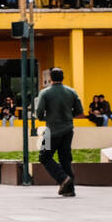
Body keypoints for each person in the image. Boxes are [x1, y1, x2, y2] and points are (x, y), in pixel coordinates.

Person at [35, 67, 83, 197]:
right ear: (63, 77)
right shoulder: (71, 92)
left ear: (50, 78)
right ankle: (70, 189)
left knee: (44, 156)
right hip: (68, 129)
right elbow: (79, 110)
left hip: (51, 131)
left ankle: (63, 179)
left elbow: (39, 113)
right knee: (65, 158)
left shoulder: (45, 93)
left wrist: (47, 118)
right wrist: (68, 116)